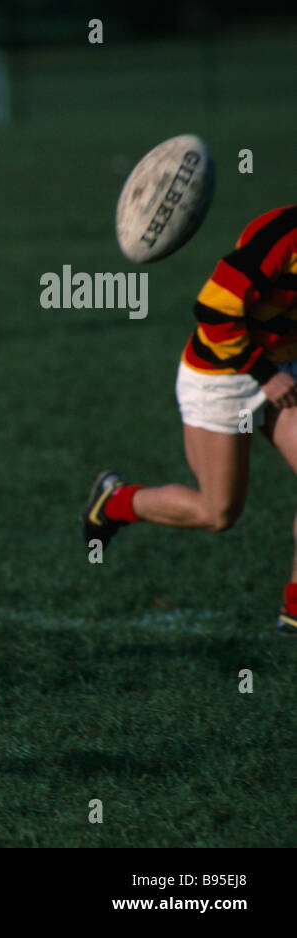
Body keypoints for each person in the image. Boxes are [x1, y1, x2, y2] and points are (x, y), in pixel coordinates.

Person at [82, 204, 297, 633]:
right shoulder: (285, 236)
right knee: (218, 513)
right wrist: (266, 375)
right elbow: (214, 311)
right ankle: (115, 503)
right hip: (221, 377)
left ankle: (294, 611)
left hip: (283, 369)